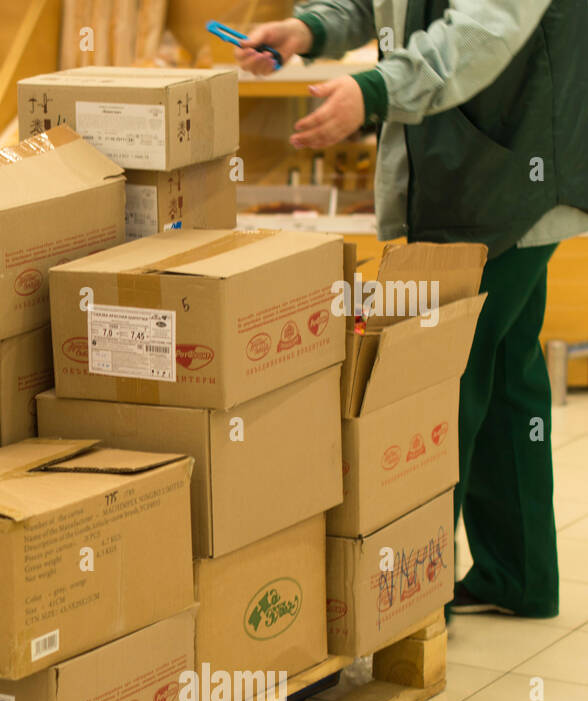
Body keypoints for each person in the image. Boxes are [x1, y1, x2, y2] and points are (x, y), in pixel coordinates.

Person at [237, 1, 588, 618]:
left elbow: (485, 29)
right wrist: (310, 28)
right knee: (504, 373)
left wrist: (375, 89)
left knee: (439, 385)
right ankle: (518, 576)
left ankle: (414, 605)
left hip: (509, 173)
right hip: (479, 174)